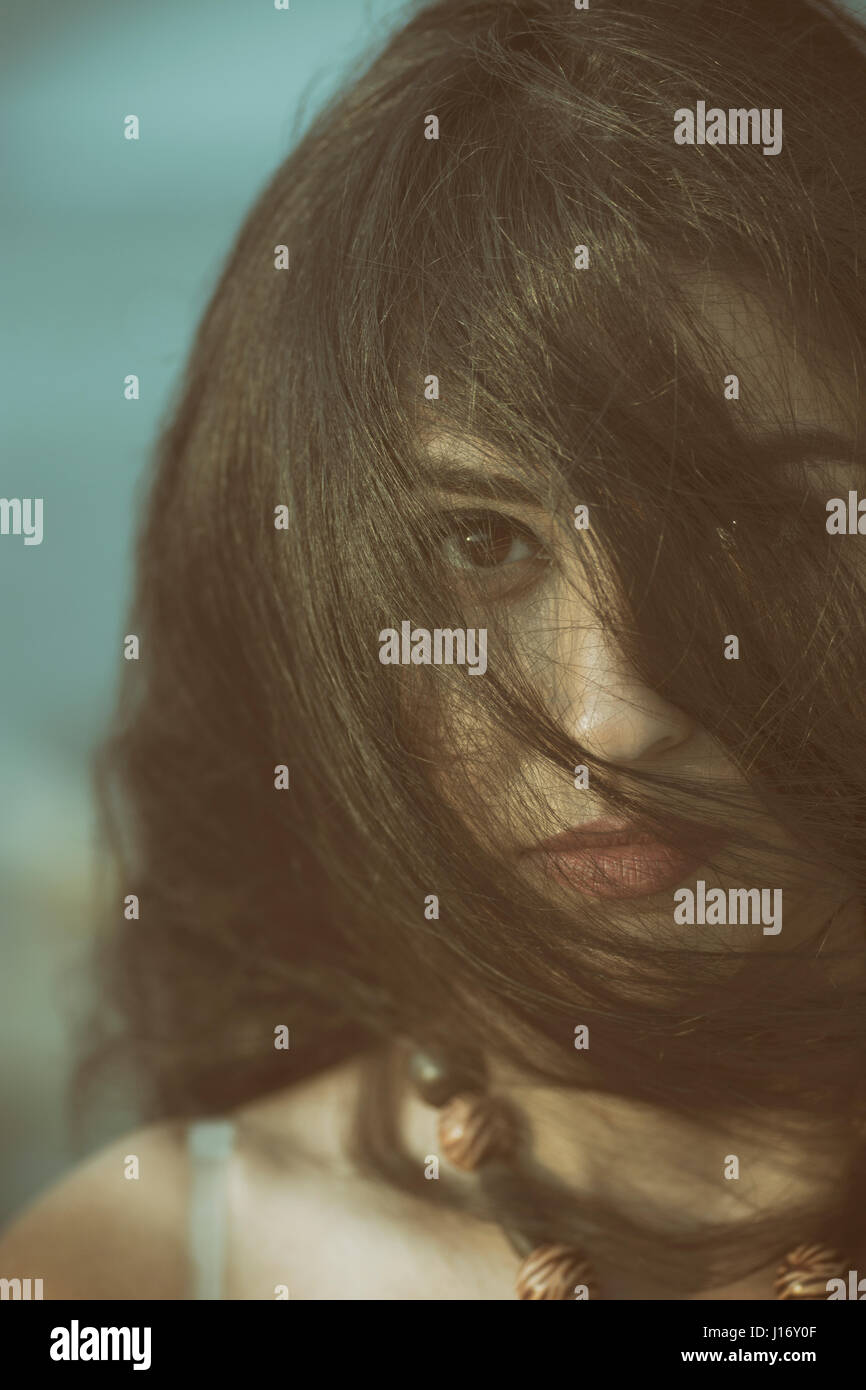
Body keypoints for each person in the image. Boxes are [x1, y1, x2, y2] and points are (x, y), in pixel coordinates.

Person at [2, 0, 866, 1300]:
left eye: (750, 531)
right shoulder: (139, 1272)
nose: (611, 712)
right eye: (478, 544)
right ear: (297, 600)